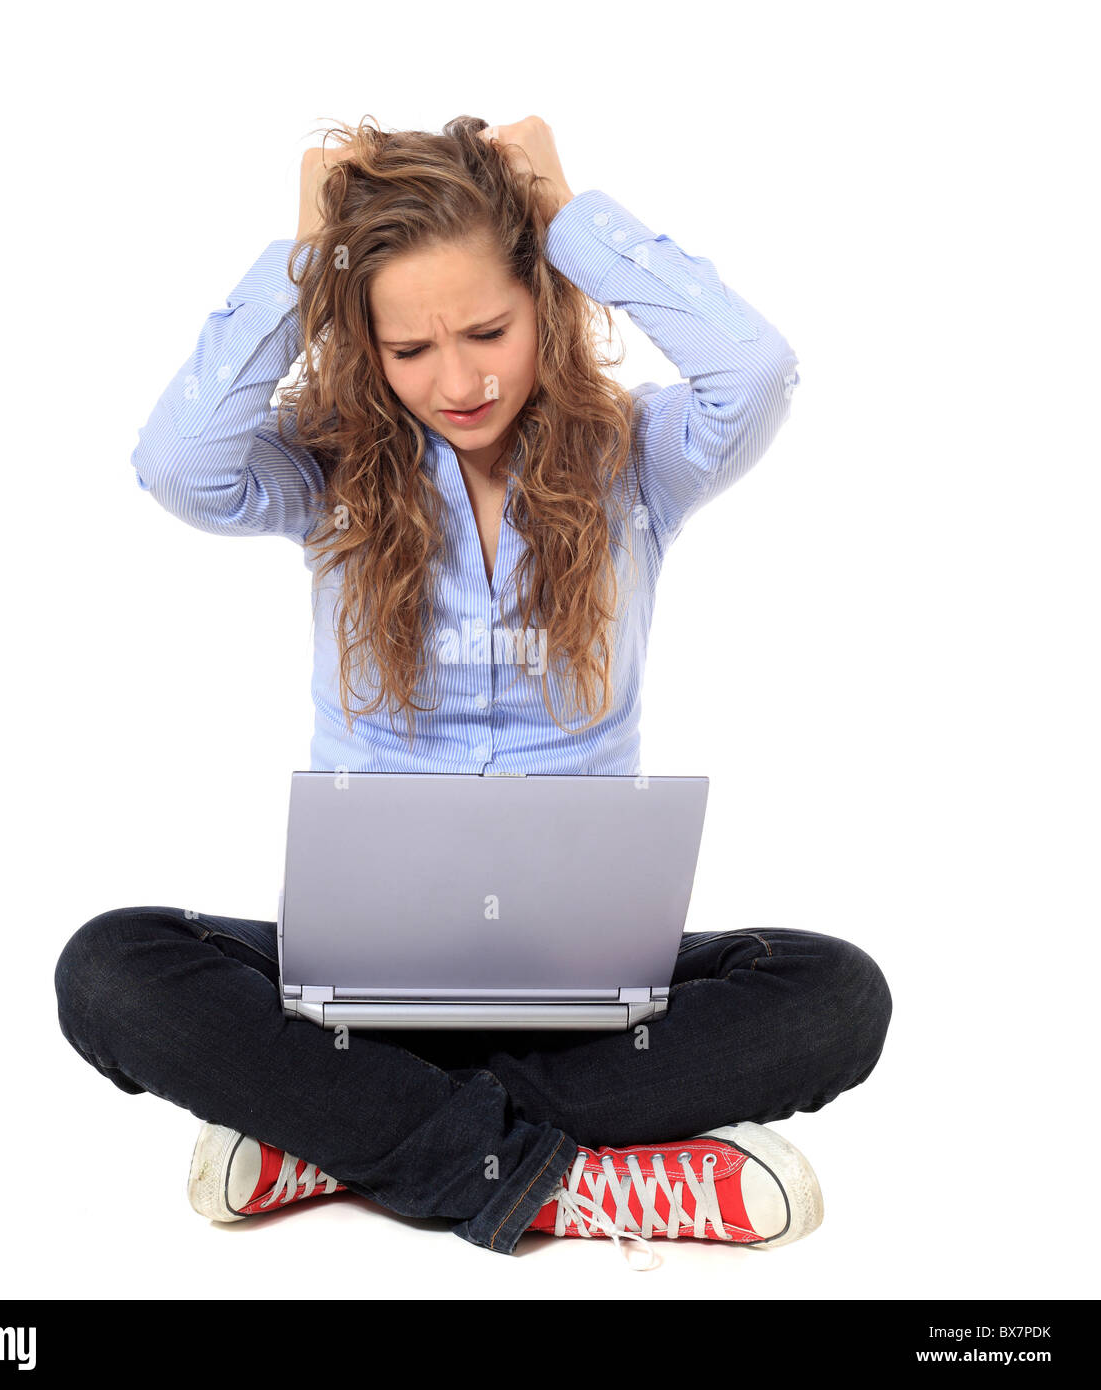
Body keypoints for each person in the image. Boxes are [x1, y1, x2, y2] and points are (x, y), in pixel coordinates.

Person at [54, 114, 892, 1271]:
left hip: (586, 986)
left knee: (834, 995)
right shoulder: (332, 469)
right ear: (366, 346)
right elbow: (176, 464)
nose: (457, 380)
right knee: (110, 970)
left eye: (490, 329)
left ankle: (339, 1138)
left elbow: (754, 367)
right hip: (363, 992)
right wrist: (309, 255)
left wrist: (569, 217)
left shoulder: (638, 460)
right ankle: (579, 1177)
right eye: (410, 350)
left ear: (548, 299)